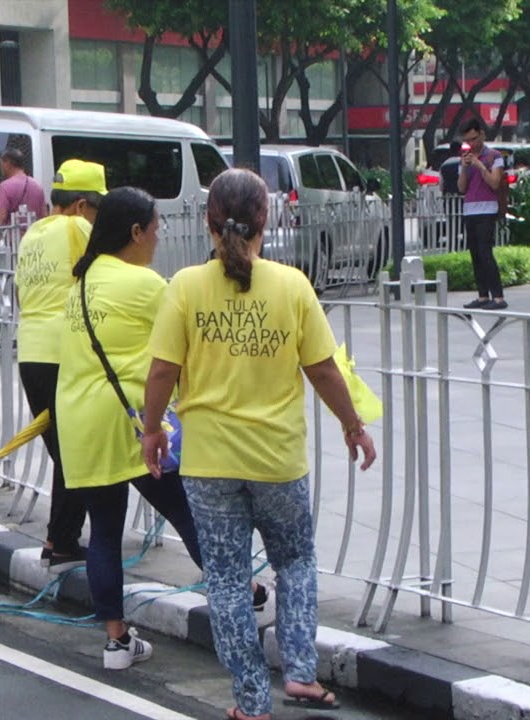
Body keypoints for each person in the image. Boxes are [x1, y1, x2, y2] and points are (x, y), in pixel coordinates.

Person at [140, 168, 377, 720]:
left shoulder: (185, 287)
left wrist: (152, 431)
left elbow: (162, 371)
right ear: (267, 219)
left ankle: (250, 701)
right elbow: (322, 369)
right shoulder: (292, 286)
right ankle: (300, 672)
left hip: (209, 463)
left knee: (226, 579)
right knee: (295, 562)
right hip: (278, 460)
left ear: (209, 222)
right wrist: (353, 425)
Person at [55, 186, 208, 670]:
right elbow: (184, 348)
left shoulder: (80, 283)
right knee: (187, 511)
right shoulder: (144, 285)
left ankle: (116, 642)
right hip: (133, 422)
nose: (159, 239)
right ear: (136, 232)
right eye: (156, 229)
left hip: (79, 419)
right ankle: (245, 594)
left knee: (104, 531)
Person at [14, 159, 108, 565]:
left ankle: (60, 542)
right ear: (82, 205)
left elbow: (21, 295)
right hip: (63, 354)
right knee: (77, 450)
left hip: (30, 353)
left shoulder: (32, 235)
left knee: (66, 450)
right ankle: (68, 541)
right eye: (99, 209)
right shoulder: (79, 229)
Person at [456, 118, 508, 310]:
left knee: (486, 253)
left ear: (482, 135)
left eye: (474, 138)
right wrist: (464, 167)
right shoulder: (464, 158)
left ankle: (498, 297)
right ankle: (482, 295)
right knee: (475, 254)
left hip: (487, 209)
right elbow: (461, 188)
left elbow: (495, 182)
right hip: (470, 210)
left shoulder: (494, 156)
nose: (471, 143)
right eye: (467, 140)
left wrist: (479, 165)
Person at [0, 147, 47, 226]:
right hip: (34, 232)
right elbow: (44, 215)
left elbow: (2, 217)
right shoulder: (37, 186)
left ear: (8, 163)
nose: (1, 168)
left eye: (1, 164)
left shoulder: (4, 186)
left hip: (14, 233)